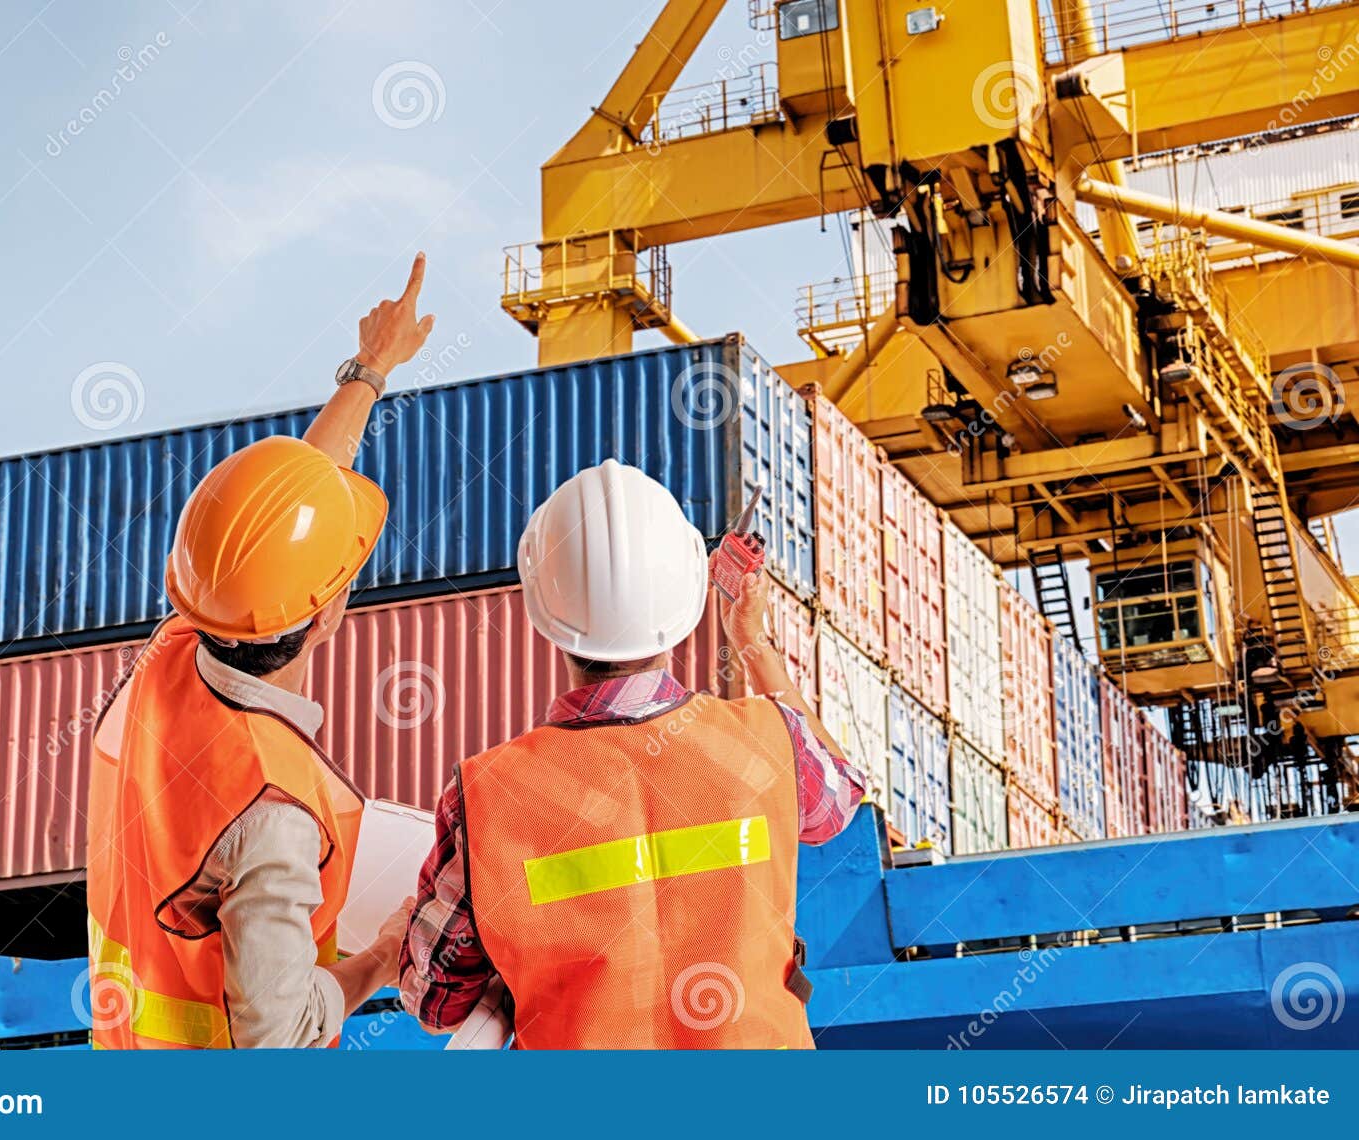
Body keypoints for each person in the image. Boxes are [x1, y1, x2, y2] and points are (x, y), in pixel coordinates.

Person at [85, 254, 435, 1049]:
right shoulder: (272, 808)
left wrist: (370, 370)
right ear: (330, 613)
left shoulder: (170, 654)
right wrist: (383, 957)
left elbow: (269, 535)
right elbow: (275, 1039)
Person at [399, 459, 867, 1048]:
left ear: (544, 610)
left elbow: (436, 1000)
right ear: (687, 592)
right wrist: (752, 641)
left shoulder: (488, 794)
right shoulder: (765, 739)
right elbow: (836, 802)